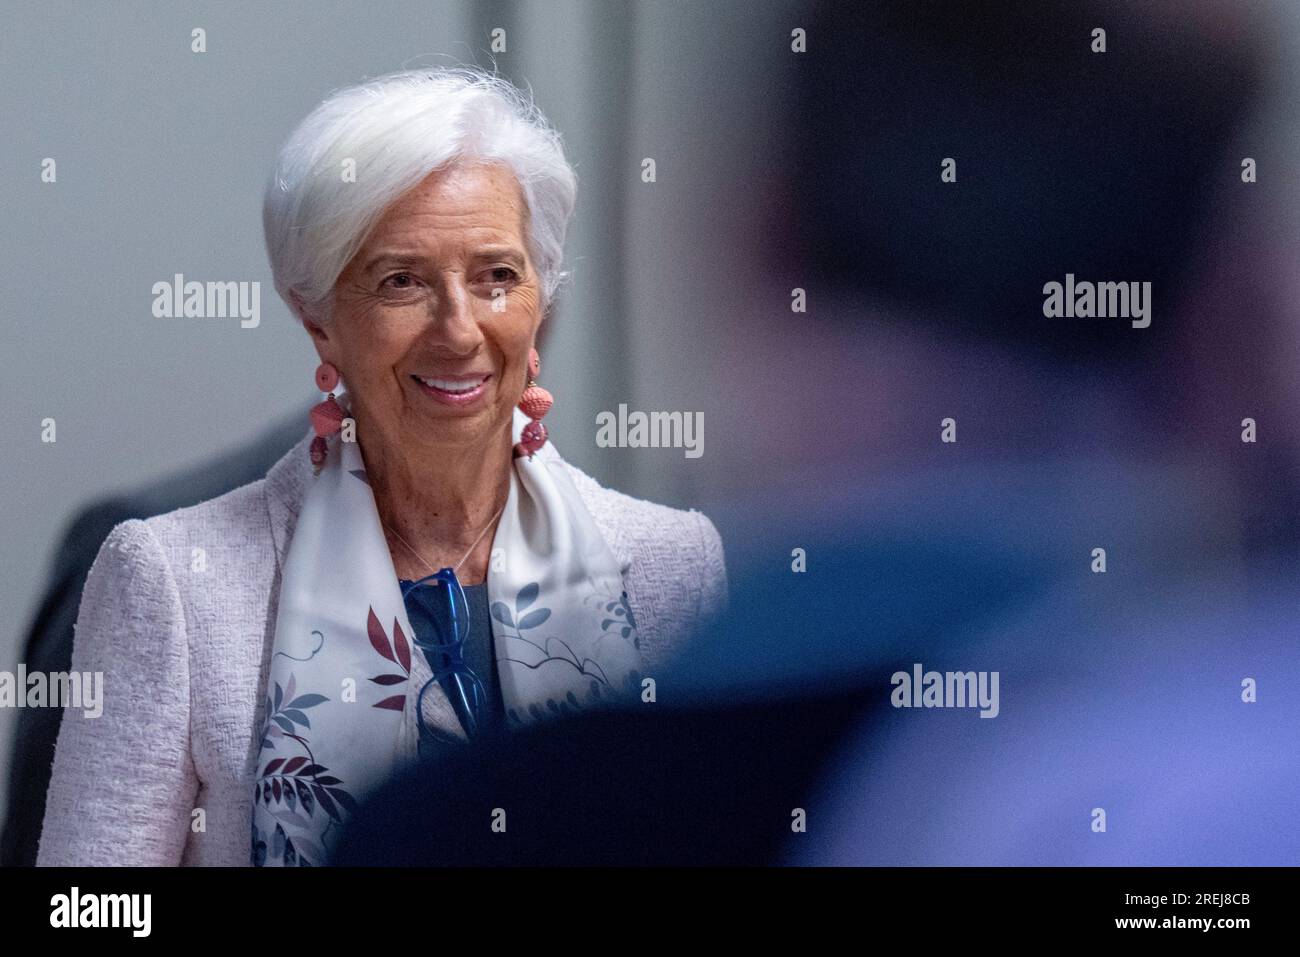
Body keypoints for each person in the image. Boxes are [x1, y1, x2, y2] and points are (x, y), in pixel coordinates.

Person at [36, 67, 728, 867]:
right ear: (319, 320)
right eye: (402, 281)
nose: (459, 329)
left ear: (542, 299)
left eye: (496, 276)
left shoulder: (678, 568)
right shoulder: (174, 582)